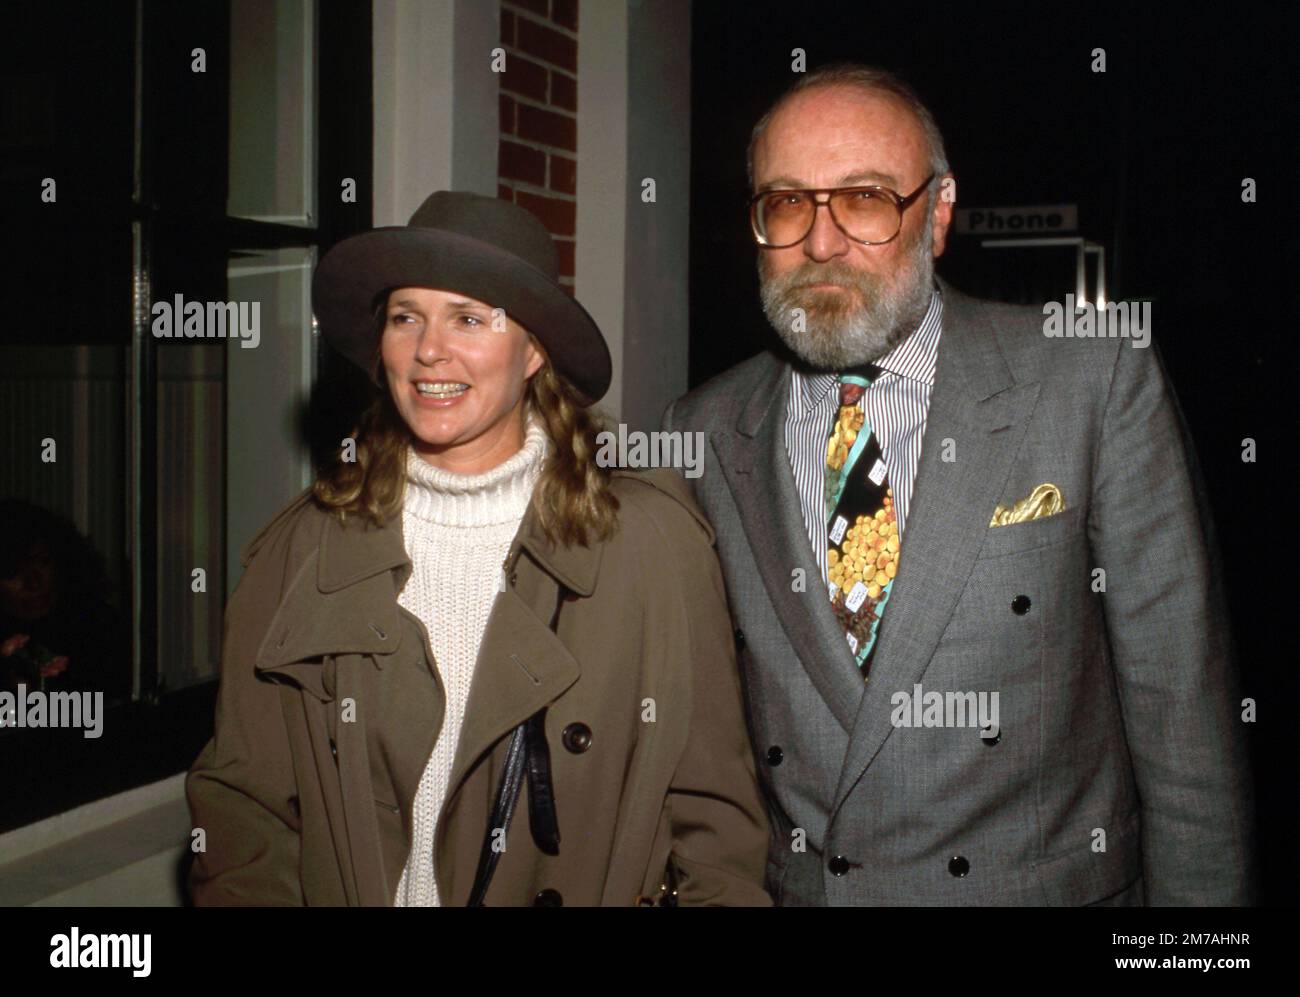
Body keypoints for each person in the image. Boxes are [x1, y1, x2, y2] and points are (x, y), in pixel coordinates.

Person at [663, 63, 1256, 905]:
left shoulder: (1088, 377)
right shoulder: (700, 429)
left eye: (865, 198)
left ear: (937, 215)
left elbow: (1184, 717)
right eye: (789, 202)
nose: (822, 242)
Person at [186, 191, 771, 906]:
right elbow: (242, 815)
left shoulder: (650, 543)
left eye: (468, 318)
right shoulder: (306, 544)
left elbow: (717, 834)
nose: (429, 349)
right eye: (406, 318)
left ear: (534, 351)